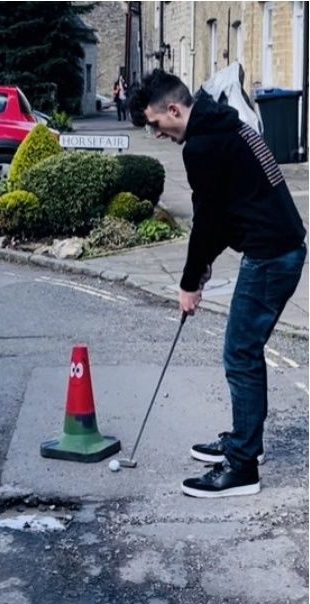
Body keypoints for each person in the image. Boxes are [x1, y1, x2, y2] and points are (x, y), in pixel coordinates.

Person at [128, 69, 306, 499]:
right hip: (278, 247)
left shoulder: (205, 144)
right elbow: (228, 209)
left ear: (174, 109)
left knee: (240, 353)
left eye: (154, 123)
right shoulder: (223, 124)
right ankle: (248, 442)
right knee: (244, 351)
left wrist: (190, 282)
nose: (156, 133)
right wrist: (205, 263)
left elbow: (207, 219)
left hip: (271, 255)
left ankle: (242, 467)